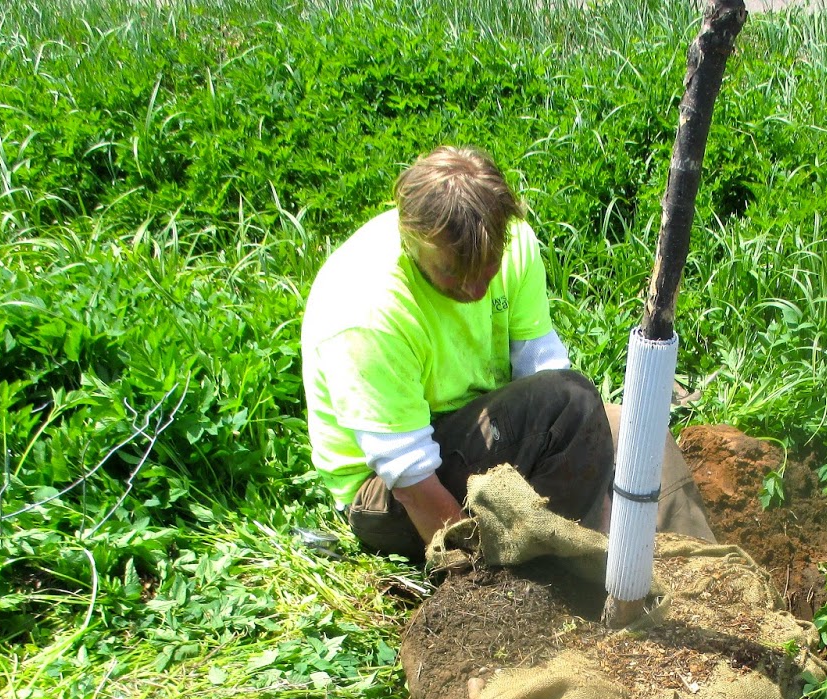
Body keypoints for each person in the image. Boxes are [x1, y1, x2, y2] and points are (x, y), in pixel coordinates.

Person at [302, 145, 713, 559]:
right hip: (387, 493)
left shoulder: (515, 246)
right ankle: (580, 573)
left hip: (484, 430)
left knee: (635, 432)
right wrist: (476, 575)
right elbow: (409, 479)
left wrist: (598, 473)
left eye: (488, 268)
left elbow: (544, 376)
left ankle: (702, 579)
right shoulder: (369, 309)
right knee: (568, 405)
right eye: (452, 274)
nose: (475, 289)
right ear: (412, 242)